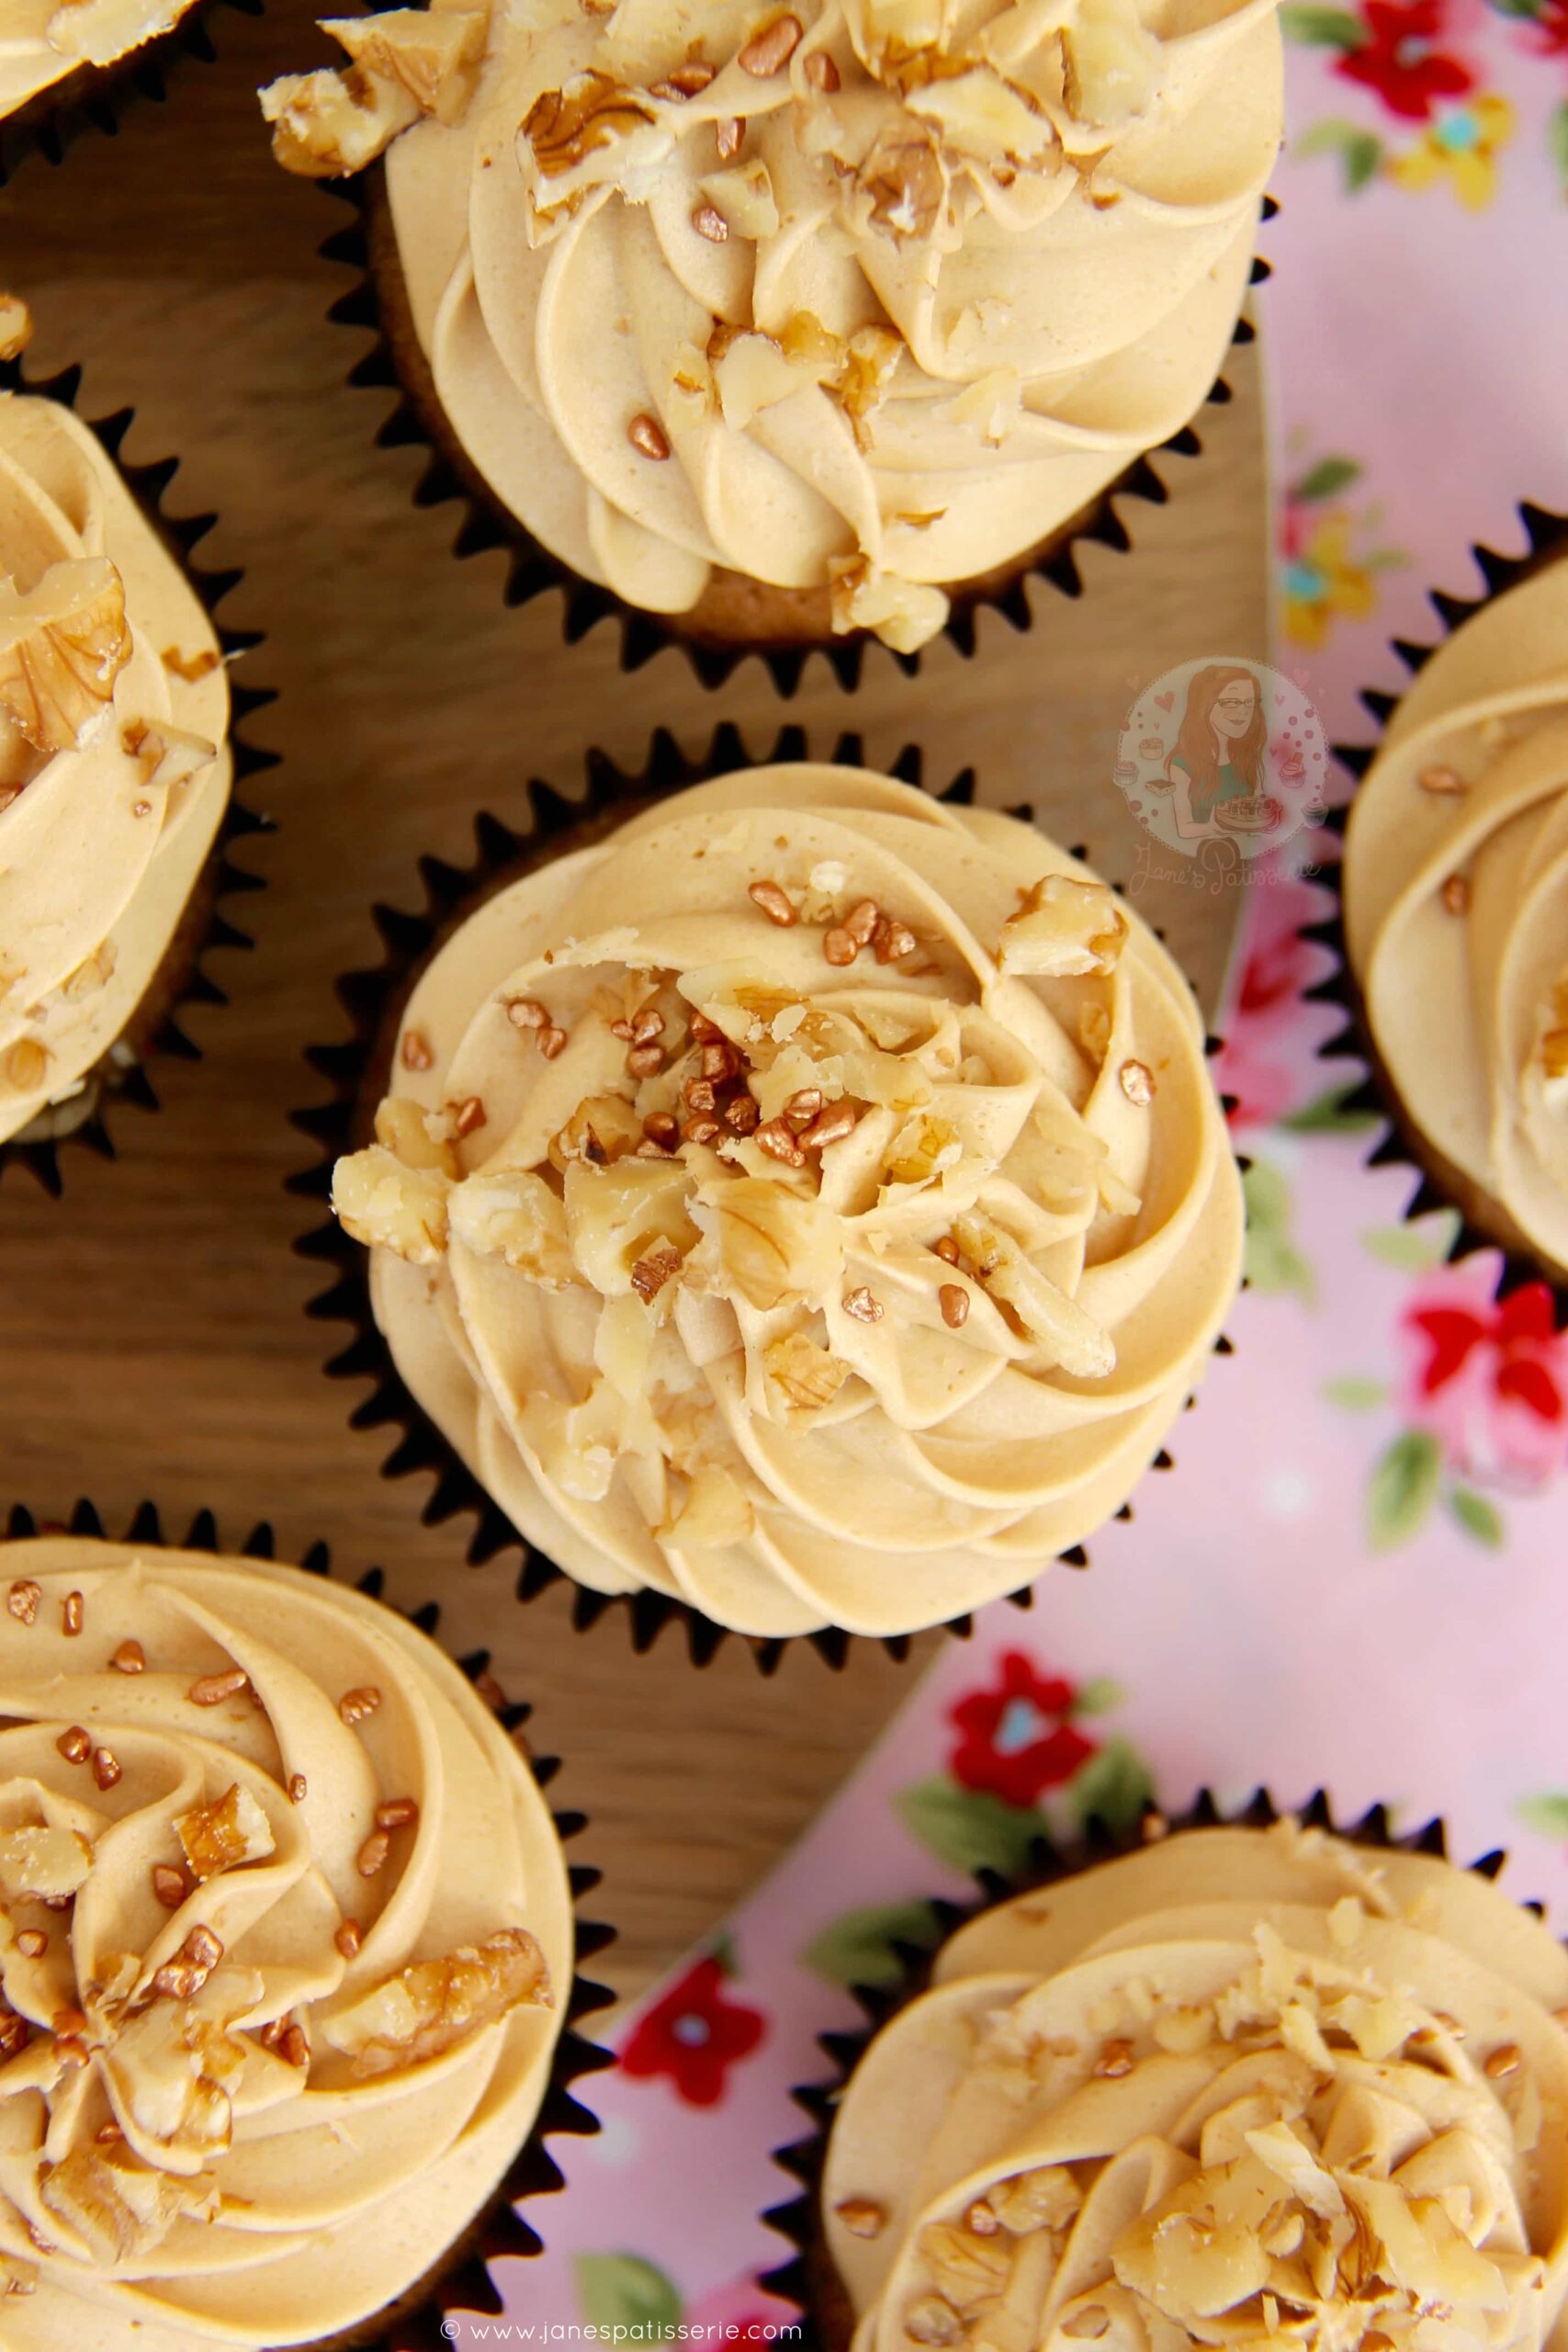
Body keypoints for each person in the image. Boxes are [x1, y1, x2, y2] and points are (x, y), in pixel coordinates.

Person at [1162, 665, 1267, 841]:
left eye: (1249, 702)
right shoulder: (1182, 763)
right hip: (1206, 849)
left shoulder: (1249, 758)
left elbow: (1260, 809)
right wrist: (1216, 827)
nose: (1243, 711)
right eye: (1232, 701)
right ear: (1205, 704)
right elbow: (1184, 829)